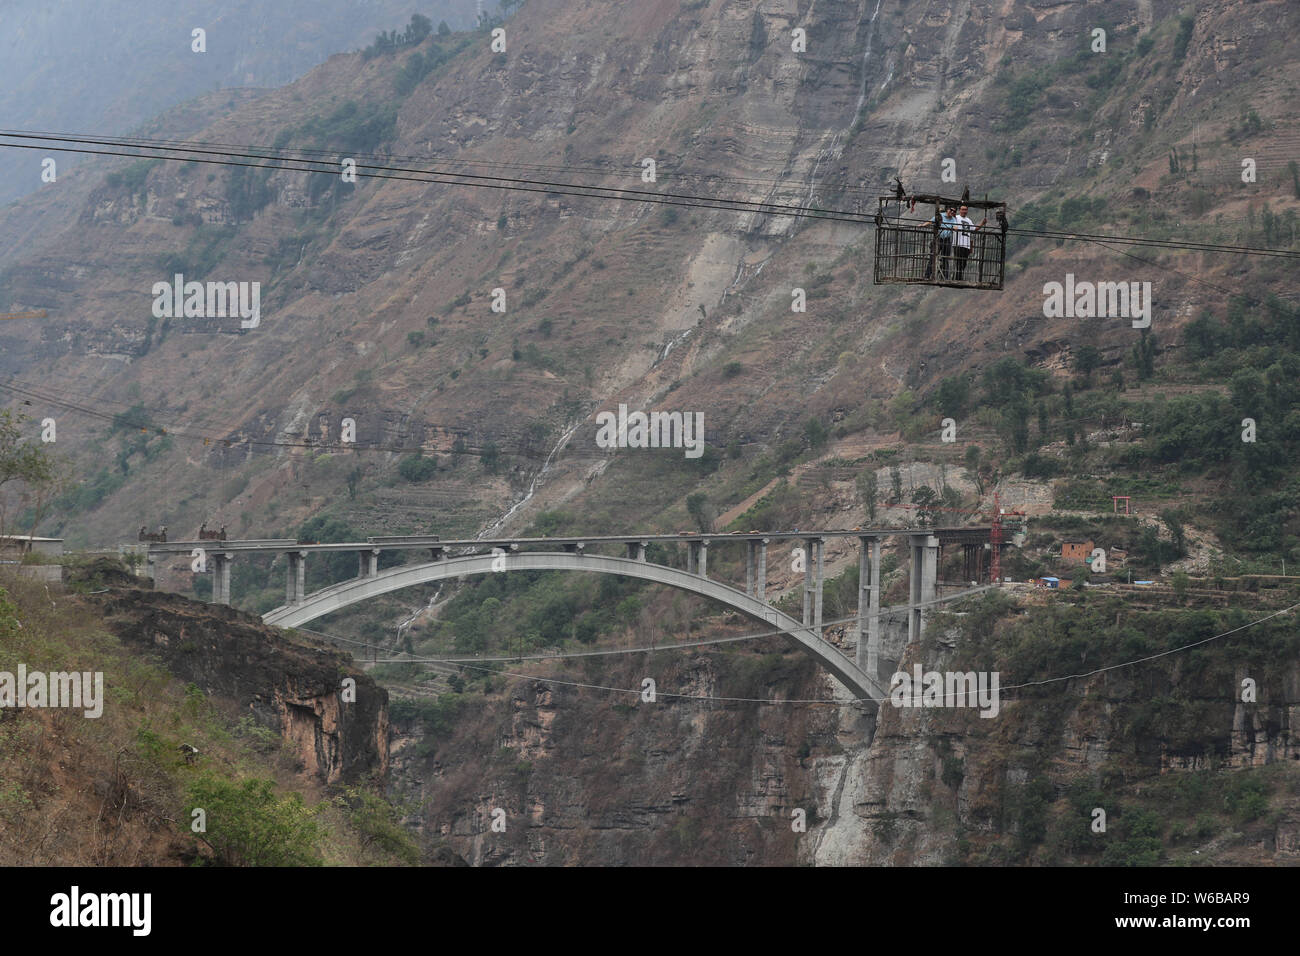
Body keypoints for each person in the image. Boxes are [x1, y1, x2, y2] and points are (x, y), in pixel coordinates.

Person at [951, 204, 987, 281]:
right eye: (962, 209)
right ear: (960, 210)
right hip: (958, 243)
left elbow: (974, 229)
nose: (964, 211)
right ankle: (957, 278)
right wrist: (952, 211)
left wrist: (982, 224)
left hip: (966, 245)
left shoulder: (969, 220)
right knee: (959, 262)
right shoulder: (956, 218)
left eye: (965, 209)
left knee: (964, 263)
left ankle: (958, 277)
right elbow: (951, 215)